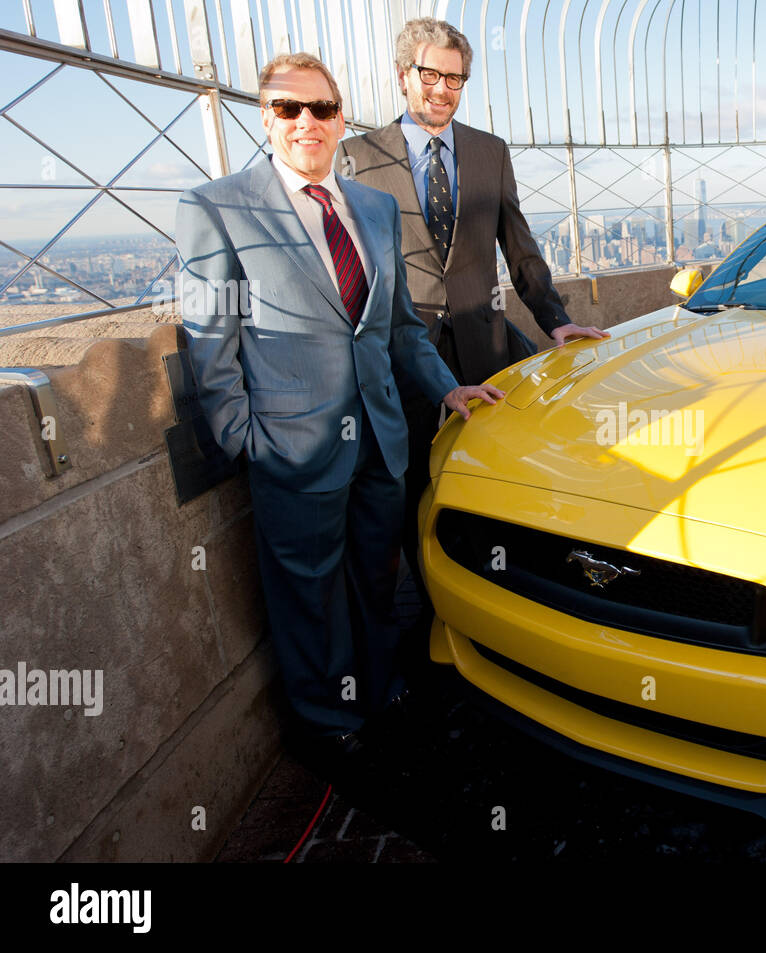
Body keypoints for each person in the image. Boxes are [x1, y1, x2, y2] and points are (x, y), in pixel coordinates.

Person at [176, 52, 504, 765]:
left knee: (376, 579)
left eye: (321, 109)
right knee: (308, 595)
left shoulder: (375, 208)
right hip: (290, 451)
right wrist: (249, 440)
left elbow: (396, 327)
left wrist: (447, 385)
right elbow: (209, 342)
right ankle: (328, 715)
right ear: (265, 117)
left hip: (380, 442)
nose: (306, 124)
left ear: (340, 116)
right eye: (288, 109)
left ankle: (381, 687)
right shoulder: (216, 209)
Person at [336, 17, 607, 631]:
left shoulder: (489, 150)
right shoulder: (356, 157)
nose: (442, 89)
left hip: (482, 343)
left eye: (455, 78)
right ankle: (434, 607)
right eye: (430, 74)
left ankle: (500, 600)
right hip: (401, 353)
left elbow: (519, 243)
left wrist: (555, 322)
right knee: (404, 484)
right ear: (404, 75)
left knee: (491, 478)